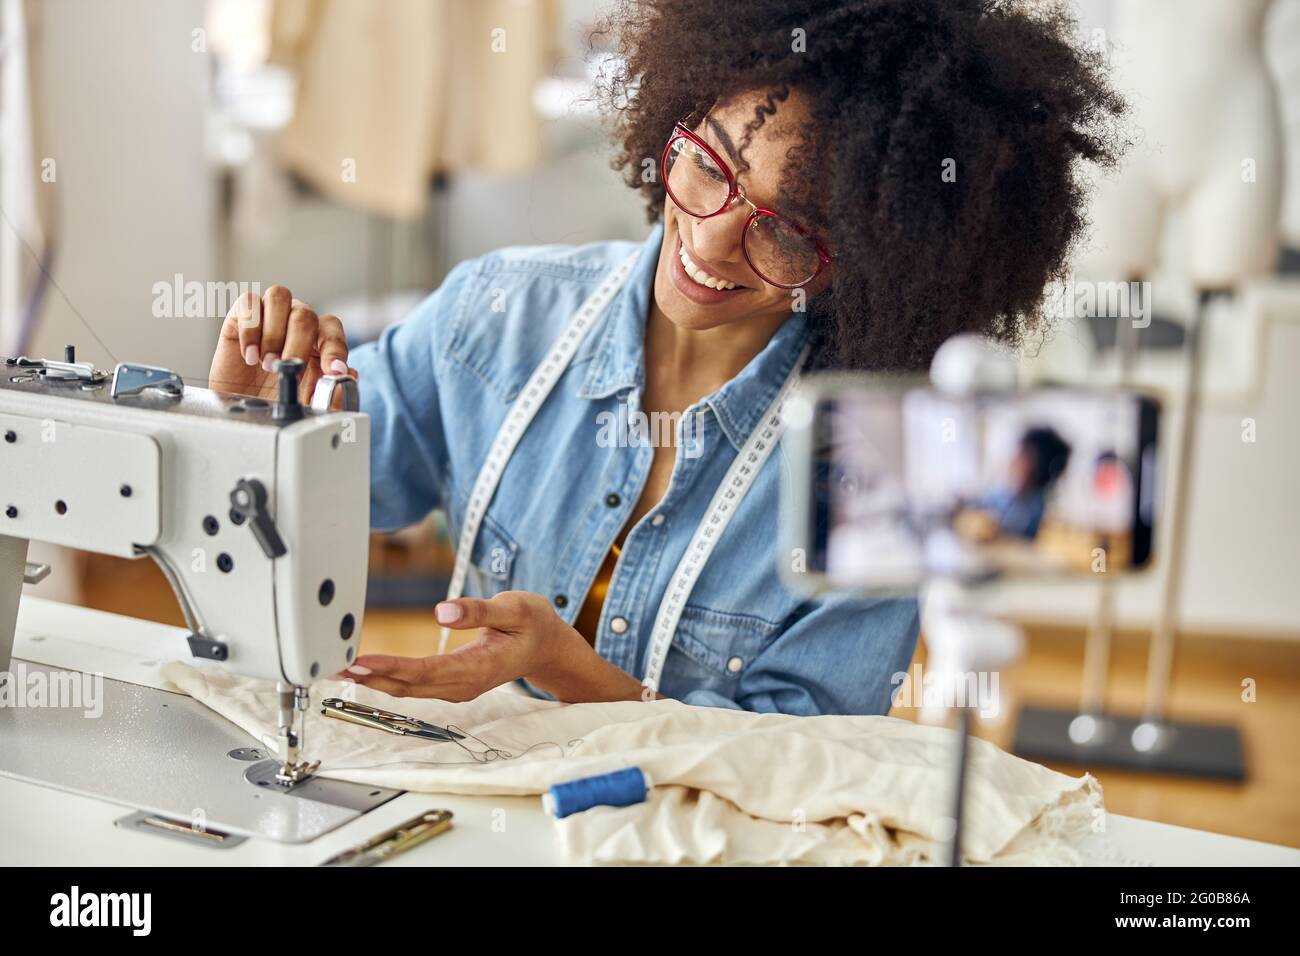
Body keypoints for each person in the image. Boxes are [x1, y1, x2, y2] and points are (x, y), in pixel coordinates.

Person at [207, 0, 1123, 716]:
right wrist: (252, 426)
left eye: (790, 236)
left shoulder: (870, 466)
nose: (714, 243)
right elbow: (323, 502)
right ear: (674, 119)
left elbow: (804, 761)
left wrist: (573, 675)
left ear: (878, 260)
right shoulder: (497, 314)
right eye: (710, 167)